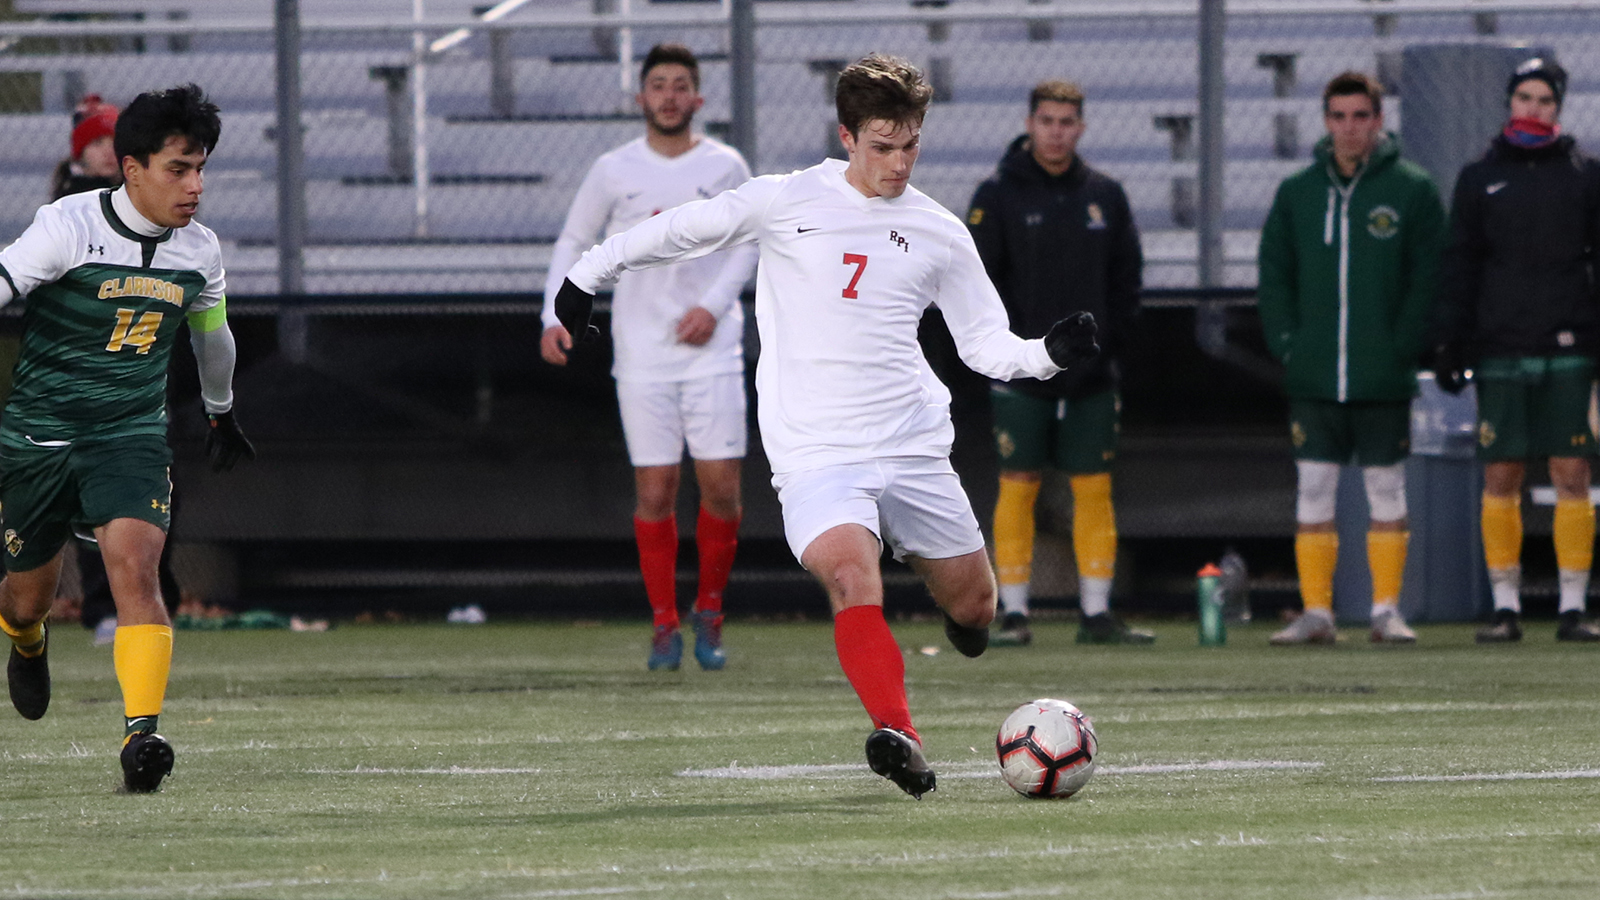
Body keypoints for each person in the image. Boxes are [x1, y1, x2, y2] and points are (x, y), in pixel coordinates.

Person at [550, 54, 1099, 798]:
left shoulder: (938, 231)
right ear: (847, 137)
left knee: (974, 609)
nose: (898, 163)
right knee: (850, 575)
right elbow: (681, 230)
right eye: (882, 146)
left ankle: (963, 626)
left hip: (911, 445)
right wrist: (585, 277)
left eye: (910, 145)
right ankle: (899, 731)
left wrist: (1044, 356)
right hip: (817, 452)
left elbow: (984, 344)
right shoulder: (785, 200)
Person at [0, 84, 255, 793]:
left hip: (129, 434)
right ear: (131, 167)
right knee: (25, 600)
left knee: (137, 571)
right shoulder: (67, 225)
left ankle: (141, 736)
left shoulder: (199, 252)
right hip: (40, 436)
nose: (195, 186)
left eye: (201, 168)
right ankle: (26, 641)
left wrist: (221, 410)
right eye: (179, 168)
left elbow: (214, 336)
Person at [541, 44, 756, 673]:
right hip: (641, 354)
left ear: (698, 98)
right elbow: (575, 241)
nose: (668, 95)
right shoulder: (613, 169)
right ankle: (664, 622)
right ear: (641, 98)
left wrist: (715, 305)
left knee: (721, 487)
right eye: (657, 84)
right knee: (656, 490)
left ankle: (709, 610)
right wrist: (554, 315)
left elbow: (750, 241)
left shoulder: (726, 164)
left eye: (680, 84)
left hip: (711, 350)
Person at [1256, 71, 1445, 645]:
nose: (1348, 127)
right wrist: (1289, 344)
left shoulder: (1413, 190)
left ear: (1378, 120)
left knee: (1387, 490)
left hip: (1383, 375)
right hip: (1314, 375)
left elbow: (1429, 278)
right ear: (1325, 120)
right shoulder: (1298, 192)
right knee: (1312, 489)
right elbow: (1274, 277)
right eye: (1338, 116)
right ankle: (1318, 612)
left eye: (1359, 116)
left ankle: (1386, 610)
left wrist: (1403, 345)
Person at [966, 80, 1147, 647]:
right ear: (1030, 122)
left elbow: (1127, 282)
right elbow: (980, 284)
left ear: (1082, 127)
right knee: (1016, 485)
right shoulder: (997, 195)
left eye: (1067, 121)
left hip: (1092, 379)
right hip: (1020, 377)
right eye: (1047, 120)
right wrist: (1012, 355)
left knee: (1093, 489)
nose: (1057, 131)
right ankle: (1013, 614)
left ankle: (1096, 614)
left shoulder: (1106, 195)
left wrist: (1105, 350)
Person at [1432, 58, 1600, 644]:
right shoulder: (1479, 177)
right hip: (1501, 343)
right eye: (1525, 98)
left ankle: (1572, 607)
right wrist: (1450, 339)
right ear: (1510, 103)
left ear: (1559, 107)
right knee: (1501, 471)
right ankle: (1505, 607)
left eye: (1545, 100)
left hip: (1569, 342)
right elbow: (1460, 263)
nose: (1533, 108)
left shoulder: (1585, 174)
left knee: (1571, 471)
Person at [50, 95, 122, 202]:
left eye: (115, 143)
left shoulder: (133, 191)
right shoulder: (71, 198)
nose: (109, 152)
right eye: (97, 143)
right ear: (81, 152)